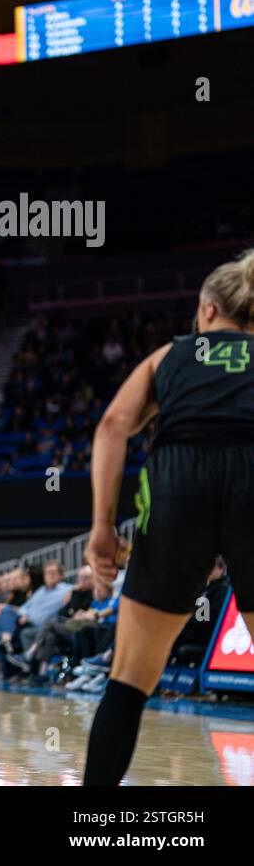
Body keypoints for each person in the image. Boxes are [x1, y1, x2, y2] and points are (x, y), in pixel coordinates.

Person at [83, 249, 254, 784]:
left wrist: (103, 528)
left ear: (207, 309)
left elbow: (113, 426)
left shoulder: (169, 356)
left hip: (179, 481)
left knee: (129, 679)